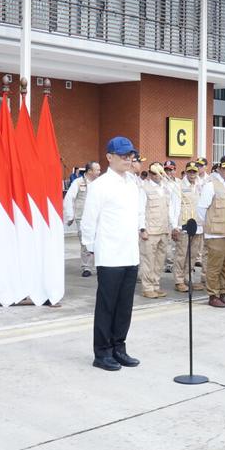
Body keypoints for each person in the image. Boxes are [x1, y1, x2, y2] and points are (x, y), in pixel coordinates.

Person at [78, 137, 142, 371]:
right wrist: (91, 247)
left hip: (129, 253)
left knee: (124, 306)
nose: (128, 159)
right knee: (107, 305)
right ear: (109, 157)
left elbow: (136, 215)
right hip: (110, 253)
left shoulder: (131, 183)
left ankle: (119, 347)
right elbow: (89, 220)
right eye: (123, 155)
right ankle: (102, 352)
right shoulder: (101, 185)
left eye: (130, 155)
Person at [196, 155, 225, 307]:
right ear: (220, 168)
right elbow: (201, 209)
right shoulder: (211, 185)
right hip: (217, 233)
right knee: (214, 266)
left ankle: (223, 293)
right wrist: (211, 225)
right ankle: (213, 295)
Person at [137, 162, 175, 299]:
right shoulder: (144, 188)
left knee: (159, 261)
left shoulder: (166, 187)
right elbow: (140, 210)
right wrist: (142, 229)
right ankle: (147, 287)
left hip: (163, 230)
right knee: (148, 261)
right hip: (150, 231)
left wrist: (171, 227)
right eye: (154, 173)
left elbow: (170, 207)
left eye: (159, 173)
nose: (157, 176)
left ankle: (155, 285)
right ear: (150, 173)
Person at [63, 161, 101, 277]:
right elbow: (69, 198)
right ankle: (86, 267)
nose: (99, 172)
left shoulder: (100, 183)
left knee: (99, 241)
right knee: (85, 242)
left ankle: (100, 266)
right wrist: (70, 215)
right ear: (89, 171)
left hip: (99, 217)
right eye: (97, 170)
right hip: (83, 218)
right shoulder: (78, 183)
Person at [171, 162, 203, 292]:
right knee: (181, 254)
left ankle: (188, 278)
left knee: (193, 255)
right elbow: (174, 207)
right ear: (186, 172)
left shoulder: (201, 185)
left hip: (198, 225)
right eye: (190, 172)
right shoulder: (178, 186)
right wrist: (175, 226)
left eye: (194, 172)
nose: (192, 174)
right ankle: (178, 280)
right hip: (183, 225)